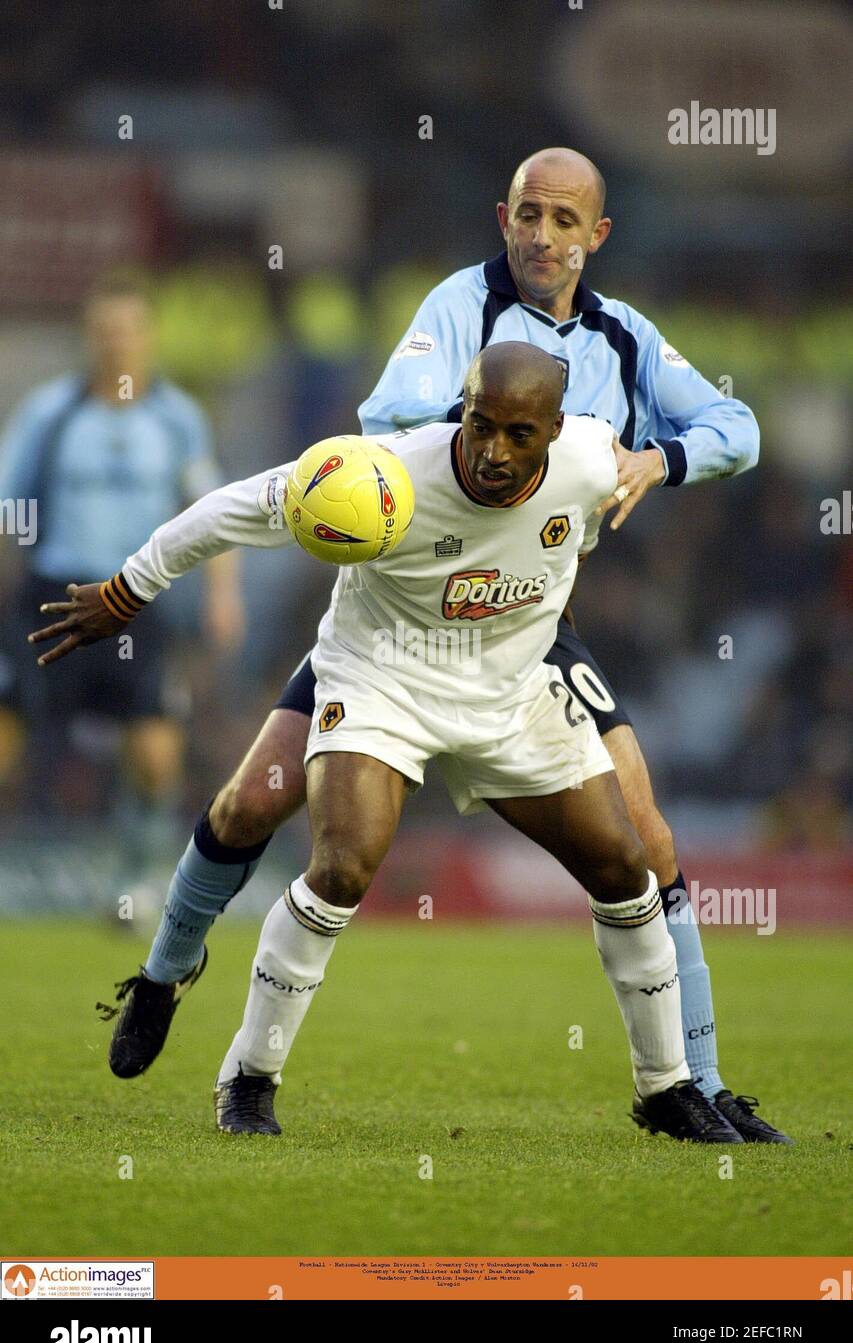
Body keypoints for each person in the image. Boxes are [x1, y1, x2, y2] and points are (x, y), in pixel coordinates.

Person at [32, 153, 791, 1142]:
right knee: (267, 810)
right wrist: (130, 588)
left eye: (566, 219)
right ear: (504, 217)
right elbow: (333, 453)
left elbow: (736, 429)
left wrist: (659, 457)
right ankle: (178, 989)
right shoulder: (438, 360)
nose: (544, 233)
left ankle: (689, 1083)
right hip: (389, 639)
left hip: (523, 640)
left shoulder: (608, 393)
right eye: (529, 213)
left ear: (595, 236)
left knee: (636, 848)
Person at [0, 272, 243, 907]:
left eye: (130, 329)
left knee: (157, 752)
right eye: (106, 330)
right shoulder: (50, 413)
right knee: (6, 735)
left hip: (135, 596)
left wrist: (223, 594)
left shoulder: (177, 419)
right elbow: (9, 501)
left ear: (148, 337)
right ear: (89, 337)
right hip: (54, 592)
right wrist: (17, 566)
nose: (118, 343)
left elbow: (213, 510)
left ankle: (135, 880)